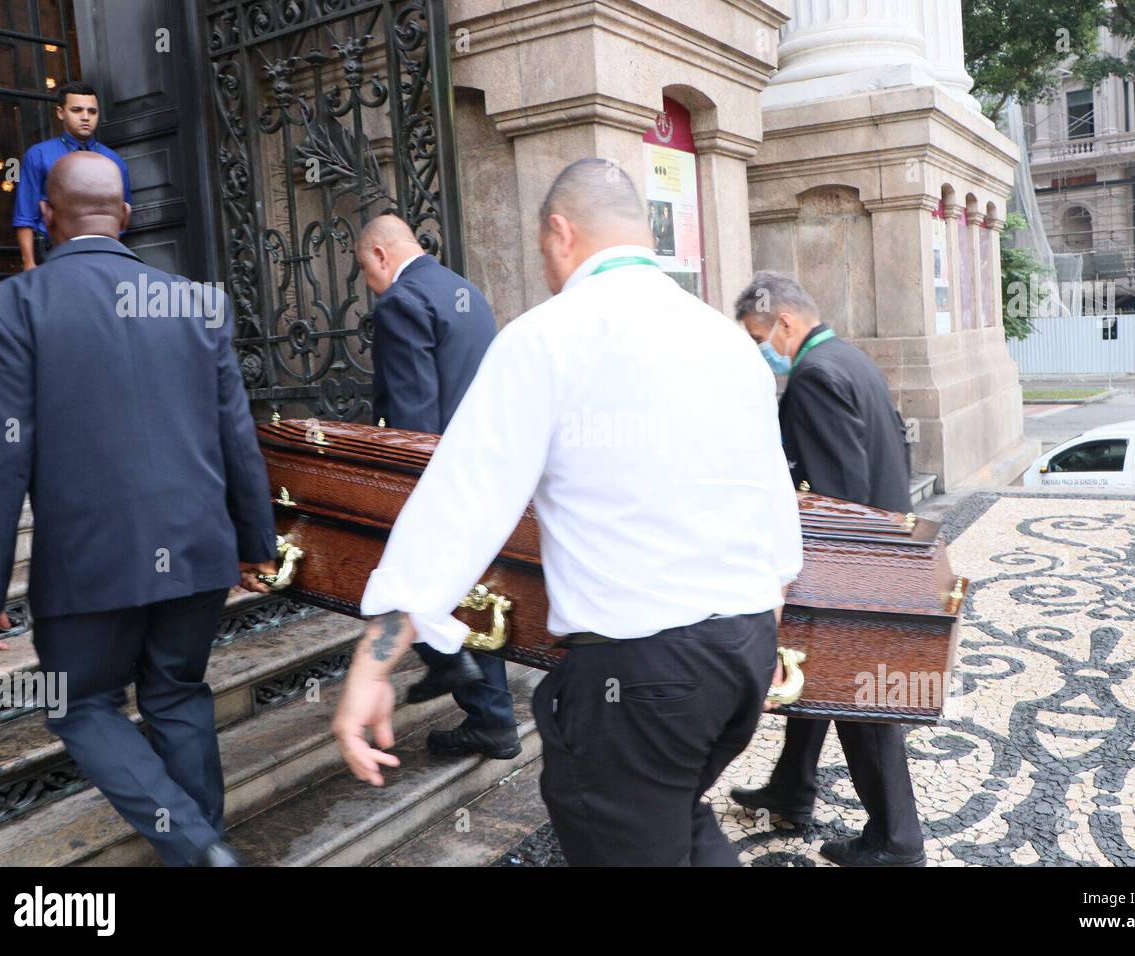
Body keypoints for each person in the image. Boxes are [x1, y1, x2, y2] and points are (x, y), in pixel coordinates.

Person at [332, 159, 803, 866]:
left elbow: (462, 502)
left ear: (560, 232)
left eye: (543, 250)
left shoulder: (546, 336)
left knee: (626, 834)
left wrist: (376, 659)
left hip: (641, 670)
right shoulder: (726, 340)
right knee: (673, 814)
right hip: (742, 648)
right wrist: (765, 620)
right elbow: (771, 494)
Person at [0, 152, 276, 867]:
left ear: (46, 217)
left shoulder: (7, 307)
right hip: (197, 547)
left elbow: (0, 458)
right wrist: (256, 541)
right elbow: (238, 434)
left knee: (80, 706)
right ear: (126, 216)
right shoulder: (195, 303)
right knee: (177, 694)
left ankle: (200, 850)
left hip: (90, 559)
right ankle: (204, 850)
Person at [732, 270, 926, 867]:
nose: (762, 352)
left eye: (759, 337)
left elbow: (834, 494)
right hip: (880, 551)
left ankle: (897, 841)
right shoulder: (849, 357)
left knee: (861, 703)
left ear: (785, 321)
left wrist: (814, 577)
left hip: (850, 563)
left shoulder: (815, 375)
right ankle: (791, 788)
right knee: (812, 677)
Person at [354, 213, 519, 760]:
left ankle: (462, 679)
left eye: (366, 272)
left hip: (438, 471)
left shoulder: (402, 302)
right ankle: (485, 708)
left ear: (380, 255)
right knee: (470, 591)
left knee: (408, 576)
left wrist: (403, 492)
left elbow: (413, 419)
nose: (372, 286)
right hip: (484, 467)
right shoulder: (464, 290)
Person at [13, 82, 132, 271]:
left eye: (92, 111)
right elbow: (25, 215)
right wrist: (28, 263)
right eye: (77, 110)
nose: (85, 117)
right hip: (54, 251)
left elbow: (123, 212)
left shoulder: (113, 160)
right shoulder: (39, 155)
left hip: (105, 252)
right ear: (61, 113)